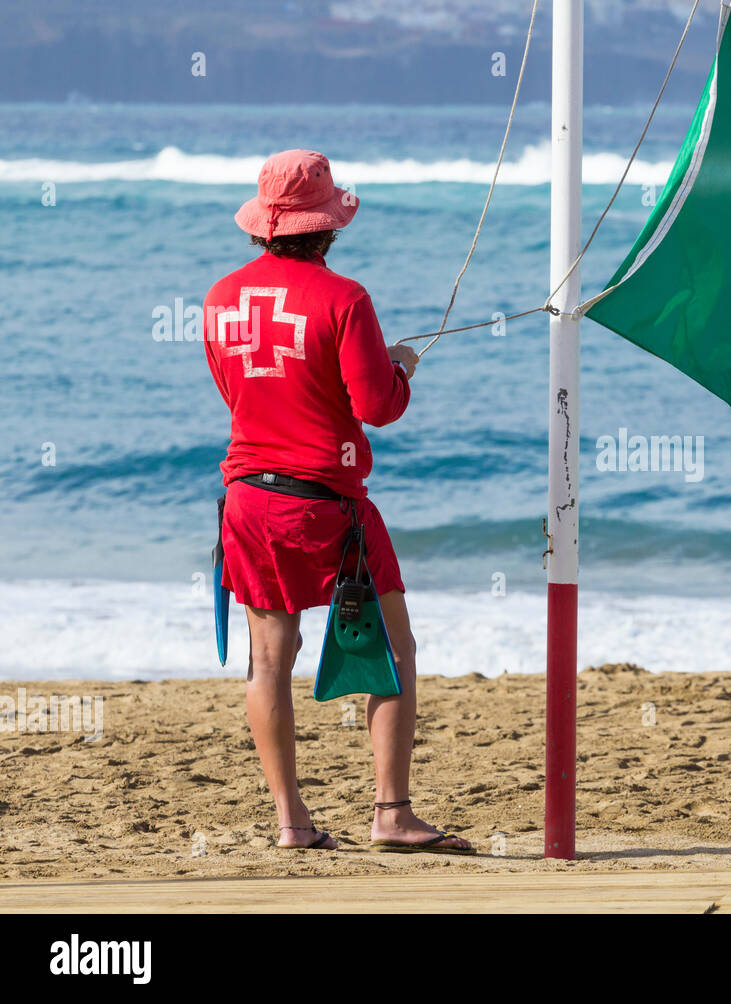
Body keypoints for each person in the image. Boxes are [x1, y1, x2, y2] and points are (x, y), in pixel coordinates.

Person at [203, 149, 473, 853]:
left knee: (269, 659)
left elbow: (238, 392)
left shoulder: (218, 298)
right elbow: (377, 407)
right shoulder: (344, 299)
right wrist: (401, 370)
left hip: (248, 498)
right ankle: (392, 813)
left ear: (265, 225)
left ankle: (292, 823)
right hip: (327, 504)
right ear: (327, 227)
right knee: (393, 649)